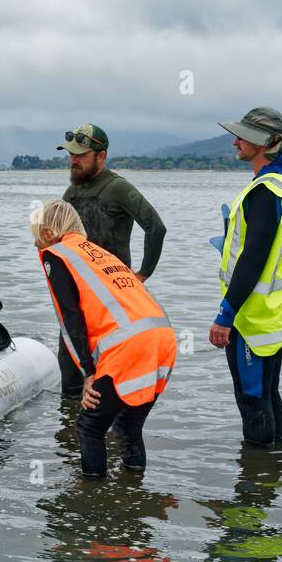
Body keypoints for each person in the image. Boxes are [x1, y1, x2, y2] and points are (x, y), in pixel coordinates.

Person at [33, 199, 177, 478]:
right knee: (127, 426)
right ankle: (132, 491)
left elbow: (70, 319)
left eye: (37, 237)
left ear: (49, 233)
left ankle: (93, 505)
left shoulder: (57, 254)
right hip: (162, 339)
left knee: (89, 427)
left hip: (130, 346)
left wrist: (88, 374)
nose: (36, 245)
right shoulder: (98, 252)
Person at [207, 107, 282, 447]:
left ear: (266, 143)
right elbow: (262, 247)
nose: (235, 140)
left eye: (244, 135)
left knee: (252, 400)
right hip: (273, 310)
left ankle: (251, 495)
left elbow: (253, 258)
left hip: (251, 317)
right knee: (268, 394)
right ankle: (273, 474)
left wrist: (225, 314)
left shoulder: (265, 192)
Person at [56, 123, 167, 396]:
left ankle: (111, 431)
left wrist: (142, 274)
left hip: (112, 301)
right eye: (71, 154)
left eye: (81, 155)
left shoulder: (118, 188)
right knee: (70, 377)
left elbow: (156, 227)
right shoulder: (71, 193)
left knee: (109, 380)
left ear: (101, 156)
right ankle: (70, 434)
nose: (74, 160)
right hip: (77, 298)